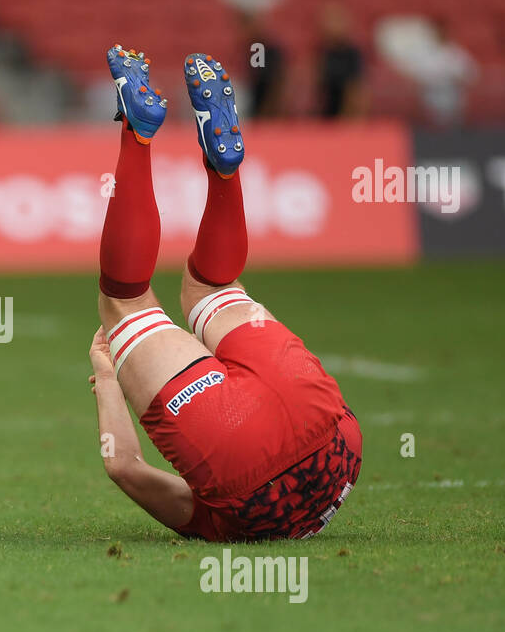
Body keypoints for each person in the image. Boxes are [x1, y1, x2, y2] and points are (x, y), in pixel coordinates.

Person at [89, 46, 362, 541]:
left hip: (336, 439)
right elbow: (125, 468)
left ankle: (224, 173)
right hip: (243, 463)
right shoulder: (217, 524)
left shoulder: (227, 515)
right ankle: (138, 131)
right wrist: (106, 376)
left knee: (215, 285)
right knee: (125, 300)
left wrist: (112, 378)